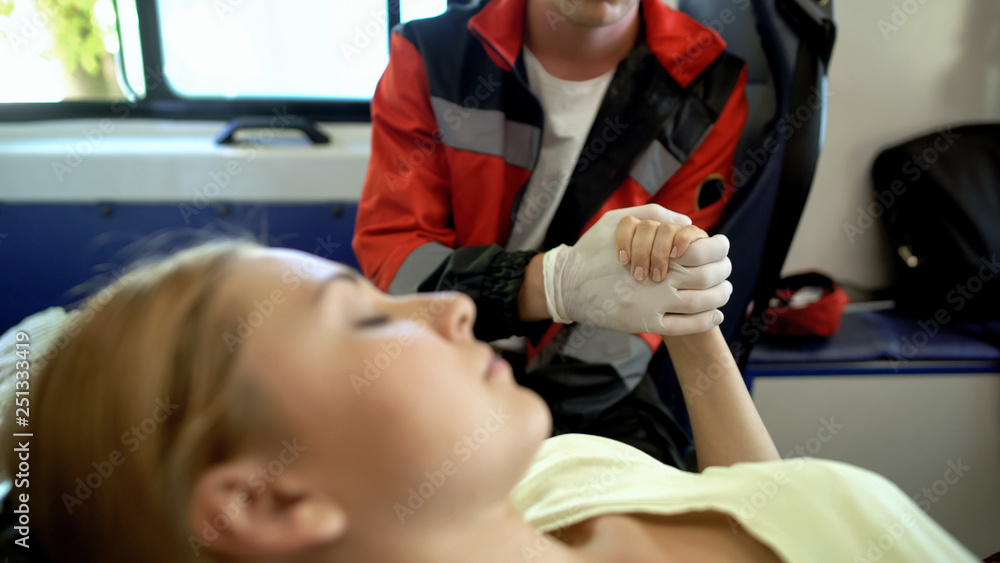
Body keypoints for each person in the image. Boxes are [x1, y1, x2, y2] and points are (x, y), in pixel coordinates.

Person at [0, 230, 979, 562]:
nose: (450, 313)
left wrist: (690, 325)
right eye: (366, 319)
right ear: (270, 497)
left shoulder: (534, 487)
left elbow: (769, 499)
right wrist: (548, 281)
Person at [353, 0, 749, 468]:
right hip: (441, 353)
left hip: (597, 381)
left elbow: (663, 282)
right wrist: (550, 284)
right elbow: (395, 260)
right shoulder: (431, 55)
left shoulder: (707, 80)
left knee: (669, 520)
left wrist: (544, 425)